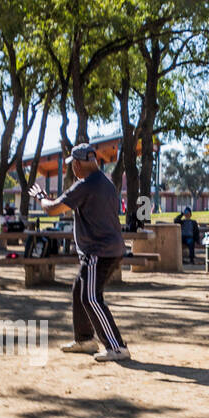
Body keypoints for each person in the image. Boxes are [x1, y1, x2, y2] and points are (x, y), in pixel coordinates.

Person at [27, 144, 131, 363]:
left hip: (98, 251)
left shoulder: (85, 185)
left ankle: (117, 347)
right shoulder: (106, 183)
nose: (72, 169)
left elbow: (52, 209)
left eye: (72, 165)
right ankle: (84, 339)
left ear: (77, 164)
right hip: (109, 249)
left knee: (91, 297)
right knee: (80, 291)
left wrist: (41, 197)